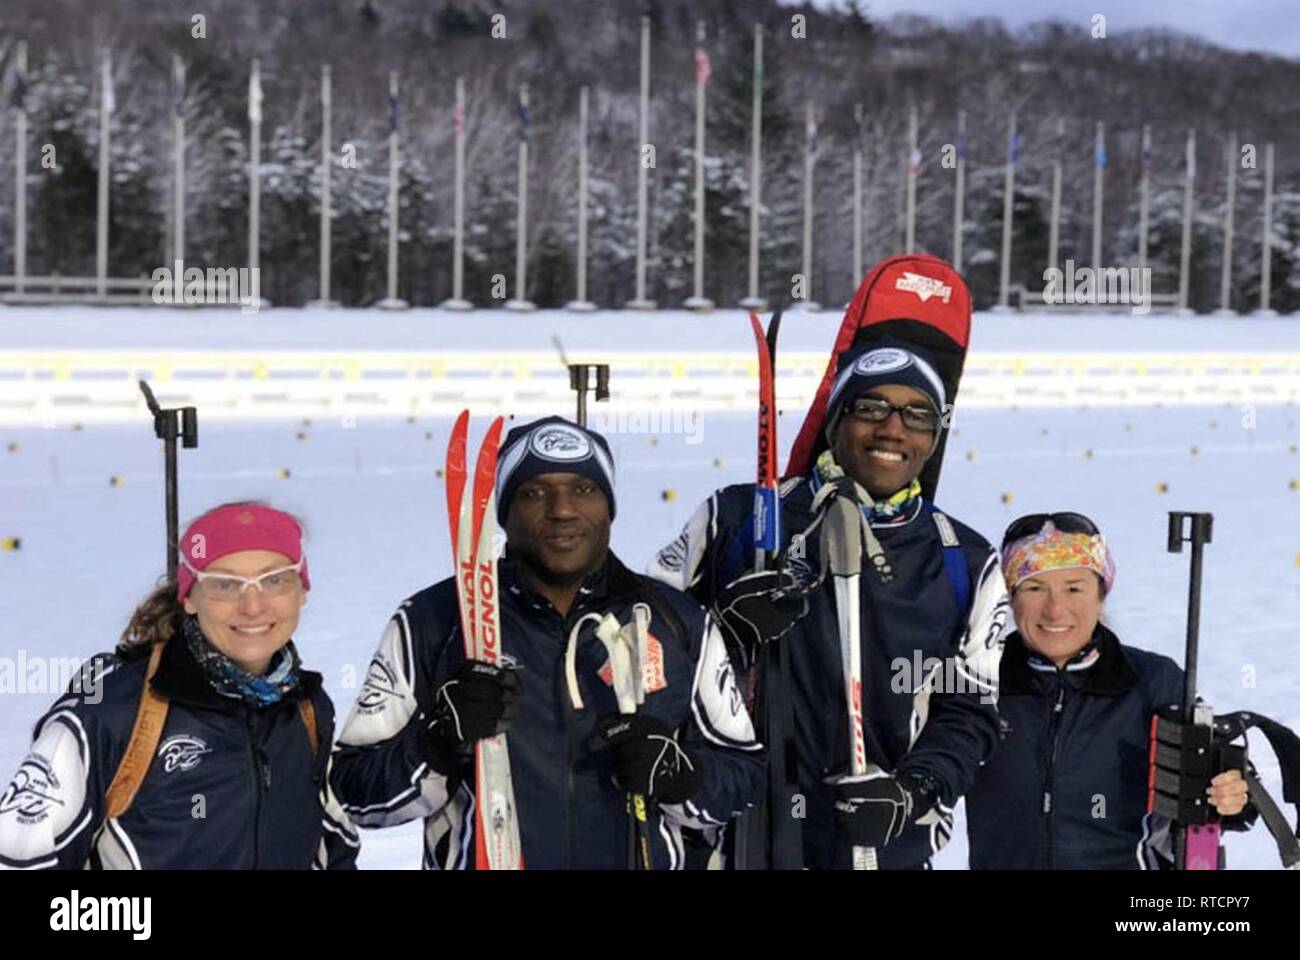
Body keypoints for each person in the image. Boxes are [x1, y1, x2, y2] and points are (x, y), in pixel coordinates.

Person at [330, 416, 762, 869]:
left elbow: (744, 774)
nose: (562, 510)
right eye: (534, 493)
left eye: (584, 489)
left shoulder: (678, 623)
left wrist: (679, 777)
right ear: (504, 512)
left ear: (609, 507)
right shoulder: (434, 622)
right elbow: (355, 791)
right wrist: (438, 743)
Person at [650, 339, 1010, 869]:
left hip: (881, 849)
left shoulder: (964, 561)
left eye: (917, 415)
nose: (892, 429)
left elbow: (969, 713)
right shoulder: (736, 520)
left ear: (934, 437)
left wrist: (911, 792)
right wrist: (726, 628)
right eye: (871, 407)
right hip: (739, 841)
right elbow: (646, 653)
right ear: (837, 418)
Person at [0, 501, 359, 870]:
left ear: (302, 590)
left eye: (274, 579)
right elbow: (18, 858)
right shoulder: (111, 711)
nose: (253, 606)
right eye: (224, 584)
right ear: (188, 596)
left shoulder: (307, 711)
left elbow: (333, 853)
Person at [963, 512, 1252, 869]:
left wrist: (1231, 790)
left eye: (1074, 588)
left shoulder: (1152, 681)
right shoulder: (978, 680)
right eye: (1034, 588)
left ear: (1101, 595)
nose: (1055, 610)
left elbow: (1222, 768)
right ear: (1010, 598)